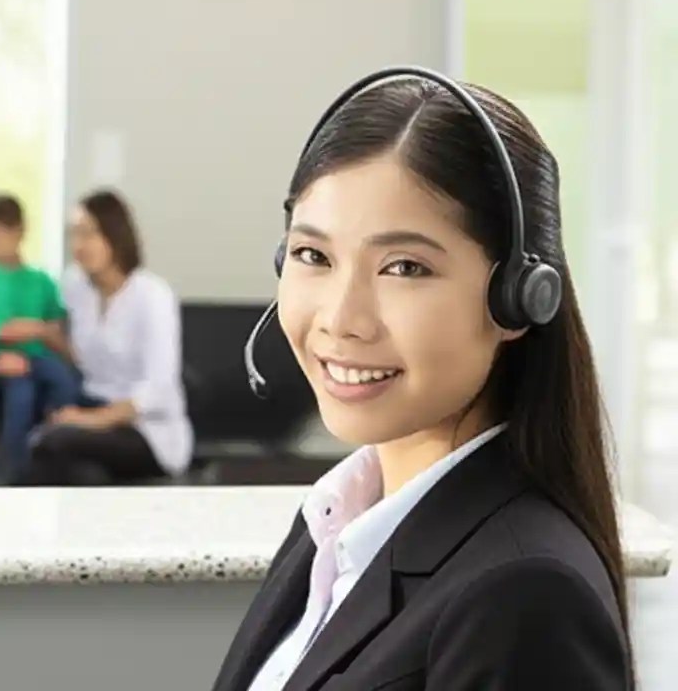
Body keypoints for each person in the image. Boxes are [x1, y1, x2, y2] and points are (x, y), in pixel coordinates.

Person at [211, 70, 631, 690]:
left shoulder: (526, 596)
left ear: (518, 298)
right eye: (312, 256)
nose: (341, 319)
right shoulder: (339, 522)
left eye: (404, 267)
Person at [19, 189, 193, 485]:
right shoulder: (76, 288)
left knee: (51, 443)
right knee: (61, 454)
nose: (78, 245)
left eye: (88, 234)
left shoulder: (152, 295)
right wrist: (41, 336)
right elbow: (81, 358)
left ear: (115, 235)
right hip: (93, 405)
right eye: (74, 235)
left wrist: (90, 421)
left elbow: (158, 389)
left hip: (146, 430)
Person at [0, 193, 80, 480]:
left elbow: (57, 330)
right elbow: (0, 331)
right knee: (21, 395)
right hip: (2, 361)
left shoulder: (41, 282)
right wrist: (38, 329)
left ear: (18, 232)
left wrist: (34, 330)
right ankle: (15, 471)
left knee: (65, 382)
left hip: (40, 357)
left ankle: (54, 453)